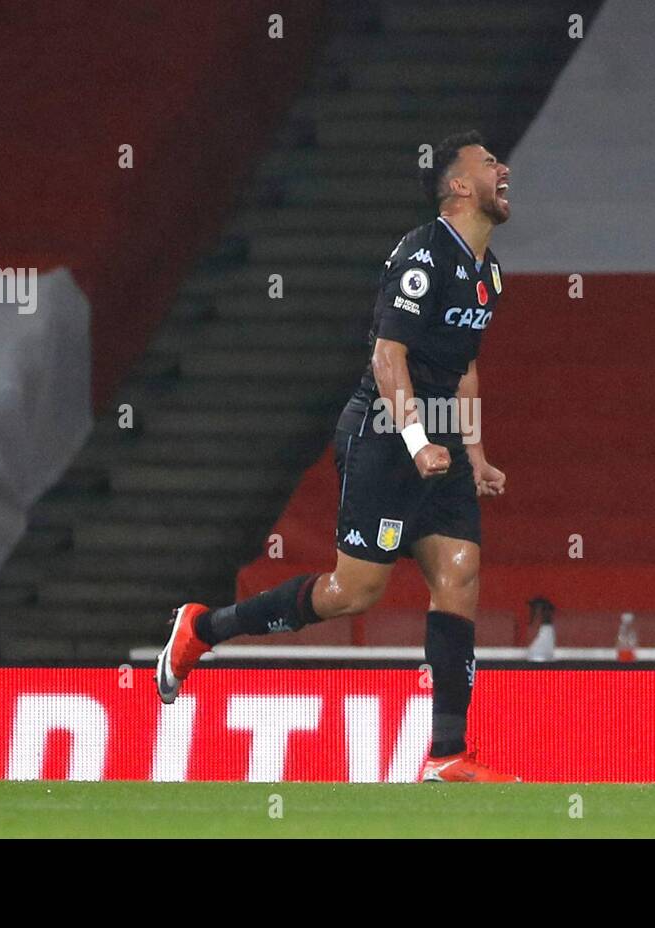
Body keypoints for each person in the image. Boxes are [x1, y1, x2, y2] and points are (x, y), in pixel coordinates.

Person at [156, 130, 516, 782]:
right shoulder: (422, 257)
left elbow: (462, 370)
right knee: (355, 592)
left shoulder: (487, 272)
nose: (504, 170)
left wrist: (474, 451)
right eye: (489, 163)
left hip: (436, 439)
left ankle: (448, 754)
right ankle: (204, 628)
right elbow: (388, 357)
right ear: (459, 186)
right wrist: (415, 441)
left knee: (459, 572)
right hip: (384, 433)